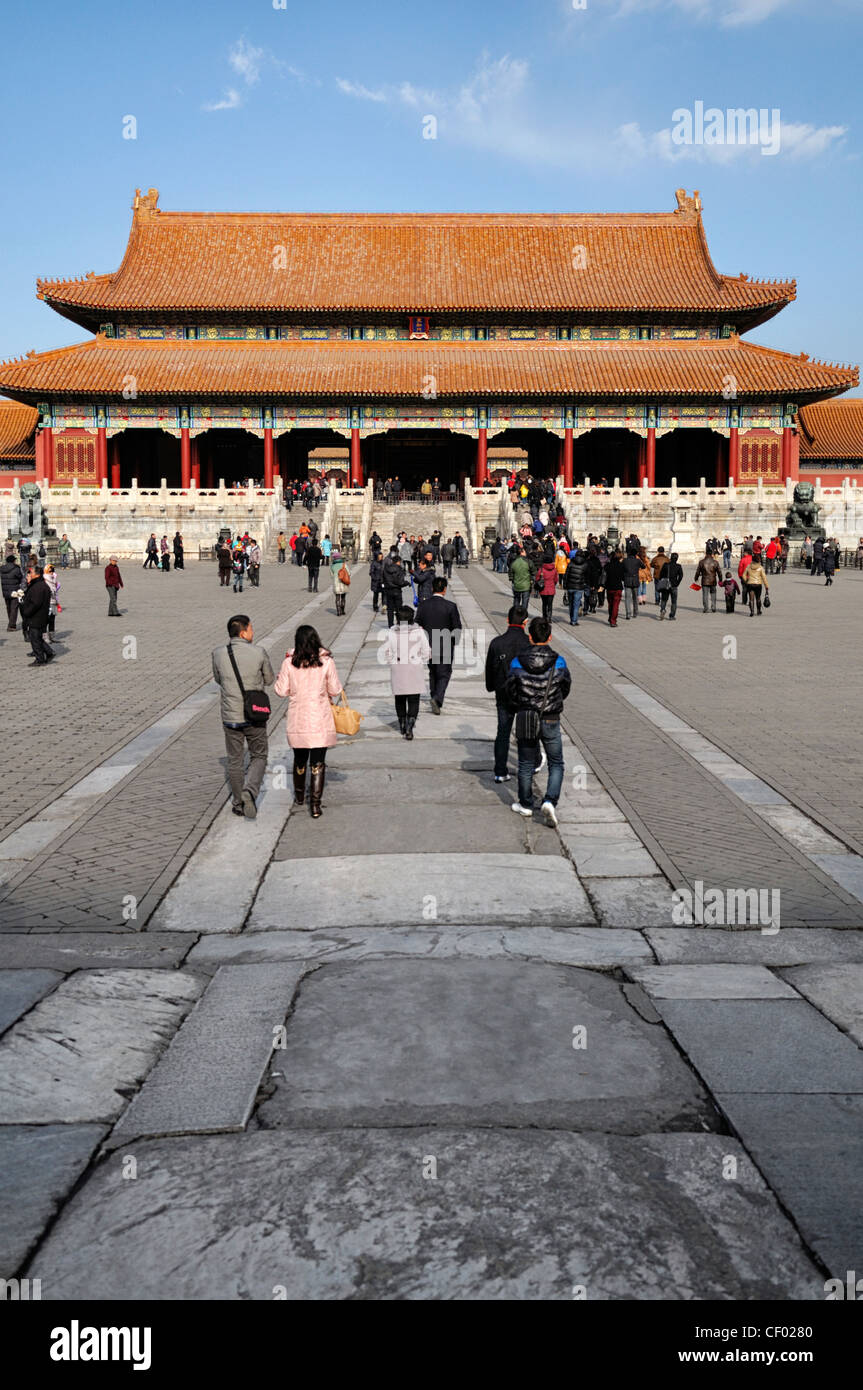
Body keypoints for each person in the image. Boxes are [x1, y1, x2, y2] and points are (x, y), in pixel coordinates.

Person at [506, 615, 571, 826]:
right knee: (556, 762)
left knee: (525, 762)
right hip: (551, 717)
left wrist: (522, 704)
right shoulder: (559, 661)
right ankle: (550, 800)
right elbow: (566, 687)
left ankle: (525, 804)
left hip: (526, 715)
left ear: (530, 637)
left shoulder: (517, 661)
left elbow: (510, 689)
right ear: (550, 637)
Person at [274, 623, 343, 818]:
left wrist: (281, 678)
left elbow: (280, 691)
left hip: (298, 720)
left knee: (299, 759)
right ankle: (315, 805)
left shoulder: (289, 663)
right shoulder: (326, 662)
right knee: (318, 762)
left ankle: (299, 796)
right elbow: (336, 690)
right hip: (320, 719)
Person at [212, 614, 274, 819]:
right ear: (243, 632)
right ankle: (250, 791)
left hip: (230, 716)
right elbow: (269, 679)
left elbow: (218, 679)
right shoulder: (259, 652)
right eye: (251, 628)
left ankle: (238, 802)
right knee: (259, 755)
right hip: (254, 714)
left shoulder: (218, 653)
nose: (253, 632)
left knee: (234, 760)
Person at [485, 606, 532, 781]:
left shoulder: (497, 642)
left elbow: (489, 668)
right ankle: (528, 768)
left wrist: (491, 686)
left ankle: (500, 771)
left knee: (503, 732)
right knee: (526, 733)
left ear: (507, 620)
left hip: (503, 692)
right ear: (525, 622)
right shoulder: (529, 642)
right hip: (524, 694)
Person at [381, 604, 431, 739]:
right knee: (414, 699)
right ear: (412, 618)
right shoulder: (419, 632)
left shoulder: (391, 632)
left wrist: (393, 662)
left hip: (398, 668)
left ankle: (402, 723)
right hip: (414, 668)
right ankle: (410, 724)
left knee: (400, 698)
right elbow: (427, 652)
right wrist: (421, 659)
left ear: (397, 618)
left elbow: (386, 652)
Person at [416, 577, 462, 714]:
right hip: (445, 644)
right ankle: (437, 698)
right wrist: (454, 643)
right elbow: (457, 627)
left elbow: (417, 623)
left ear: (432, 588)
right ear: (444, 589)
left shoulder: (423, 605)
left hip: (429, 643)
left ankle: (433, 695)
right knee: (444, 673)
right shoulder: (450, 606)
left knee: (433, 672)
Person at [20, 567, 54, 666]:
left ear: (37, 574)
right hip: (40, 616)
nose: (29, 574)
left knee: (34, 637)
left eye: (31, 572)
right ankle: (48, 652)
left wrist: (26, 611)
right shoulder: (38, 584)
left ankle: (40, 659)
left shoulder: (38, 586)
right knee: (38, 637)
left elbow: (35, 603)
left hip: (37, 616)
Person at [382, 550, 409, 627]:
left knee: (390, 609)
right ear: (398, 562)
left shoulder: (386, 569)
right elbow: (399, 582)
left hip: (388, 590)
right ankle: (399, 623)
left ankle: (390, 624)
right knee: (399, 608)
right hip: (397, 590)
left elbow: (383, 578)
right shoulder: (399, 569)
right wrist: (406, 583)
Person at [562, 546, 587, 625]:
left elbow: (566, 575)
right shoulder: (585, 564)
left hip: (570, 586)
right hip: (579, 587)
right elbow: (586, 576)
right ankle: (574, 620)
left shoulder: (571, 563)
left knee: (571, 603)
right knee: (576, 604)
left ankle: (571, 618)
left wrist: (565, 585)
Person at [694, 546, 722, 612]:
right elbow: (719, 572)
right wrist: (720, 579)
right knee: (713, 593)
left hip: (704, 580)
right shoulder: (715, 562)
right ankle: (713, 607)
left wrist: (696, 578)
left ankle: (706, 608)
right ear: (712, 554)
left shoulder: (701, 562)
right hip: (713, 580)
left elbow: (698, 571)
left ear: (706, 554)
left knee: (705, 594)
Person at [601, 550, 624, 627]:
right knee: (615, 605)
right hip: (618, 587)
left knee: (610, 604)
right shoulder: (621, 565)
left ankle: (611, 617)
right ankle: (613, 620)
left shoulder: (607, 565)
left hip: (609, 587)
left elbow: (604, 576)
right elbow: (623, 577)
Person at [658, 551, 683, 620]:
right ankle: (672, 616)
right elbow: (681, 576)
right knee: (674, 601)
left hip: (666, 585)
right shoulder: (678, 566)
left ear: (670, 558)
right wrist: (677, 583)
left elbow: (661, 575)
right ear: (677, 559)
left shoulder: (665, 565)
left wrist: (661, 581)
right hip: (674, 585)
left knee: (664, 600)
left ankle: (663, 609)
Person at [1, 551, 23, 629]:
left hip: (5, 591)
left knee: (9, 607)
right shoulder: (16, 568)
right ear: (13, 561)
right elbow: (20, 577)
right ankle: (11, 625)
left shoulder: (2, 569)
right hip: (14, 590)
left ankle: (11, 621)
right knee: (14, 608)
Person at [509, 546, 532, 616]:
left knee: (516, 600)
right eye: (524, 551)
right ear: (521, 552)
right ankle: (523, 614)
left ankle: (515, 614)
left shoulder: (514, 562)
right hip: (526, 585)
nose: (526, 553)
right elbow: (533, 571)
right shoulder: (528, 561)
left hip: (516, 584)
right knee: (525, 601)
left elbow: (510, 573)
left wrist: (512, 579)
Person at [622, 550, 641, 619]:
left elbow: (622, 568)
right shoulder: (637, 560)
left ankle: (628, 614)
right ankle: (635, 612)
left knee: (627, 598)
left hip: (627, 580)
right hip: (635, 580)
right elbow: (644, 566)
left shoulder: (625, 560)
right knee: (635, 598)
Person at [538, 553, 557, 622]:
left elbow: (537, 578)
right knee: (550, 604)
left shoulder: (541, 570)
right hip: (551, 589)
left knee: (544, 604)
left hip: (543, 589)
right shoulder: (554, 570)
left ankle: (544, 617)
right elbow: (556, 580)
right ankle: (549, 617)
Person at [44, 565, 60, 643]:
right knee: (46, 619)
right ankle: (45, 636)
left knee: (52, 619)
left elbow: (55, 589)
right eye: (50, 571)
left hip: (53, 601)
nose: (52, 573)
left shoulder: (54, 578)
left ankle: (52, 636)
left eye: (53, 571)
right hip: (47, 602)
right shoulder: (45, 578)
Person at [331, 548, 350, 616]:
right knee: (343, 597)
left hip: (336, 582)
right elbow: (349, 573)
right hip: (344, 582)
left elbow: (332, 575)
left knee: (337, 597)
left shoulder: (332, 566)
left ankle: (338, 611)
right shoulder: (344, 565)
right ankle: (343, 610)